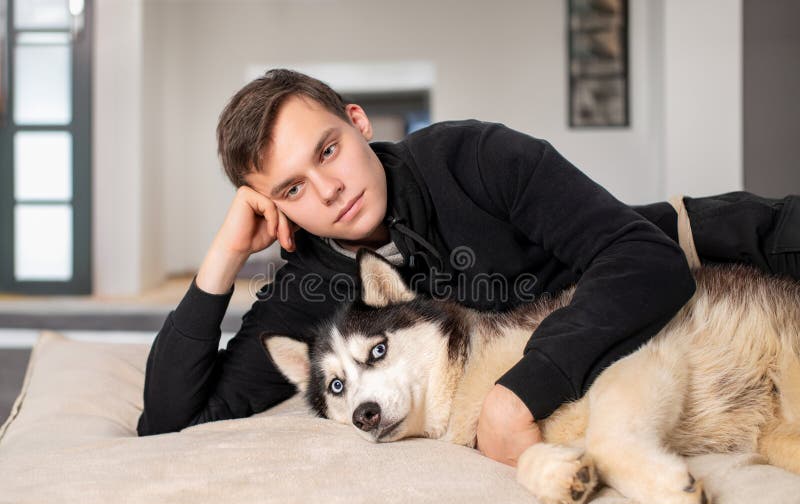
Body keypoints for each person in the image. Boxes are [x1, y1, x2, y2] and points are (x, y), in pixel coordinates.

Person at [136, 69, 799, 469]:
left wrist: (520, 391)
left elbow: (642, 260)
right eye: (292, 190)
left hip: (725, 248)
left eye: (329, 151)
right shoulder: (312, 282)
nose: (328, 190)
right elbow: (170, 418)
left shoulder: (473, 155)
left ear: (359, 123)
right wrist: (222, 258)